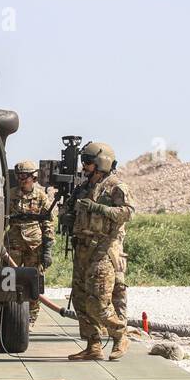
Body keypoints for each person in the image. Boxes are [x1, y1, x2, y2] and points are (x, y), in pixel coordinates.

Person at [68, 141, 134, 360]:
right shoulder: (84, 186)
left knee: (98, 300)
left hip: (105, 247)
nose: (84, 166)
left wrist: (98, 208)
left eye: (87, 162)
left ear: (101, 163)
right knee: (79, 298)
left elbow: (126, 212)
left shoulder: (116, 186)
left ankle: (120, 335)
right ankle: (93, 345)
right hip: (83, 247)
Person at [1, 159, 55, 325]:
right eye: (19, 176)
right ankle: (2, 317)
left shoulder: (41, 197)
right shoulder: (10, 195)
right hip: (13, 245)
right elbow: (2, 220)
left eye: (25, 176)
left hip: (34, 246)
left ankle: (31, 317)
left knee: (34, 281)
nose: (22, 179)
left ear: (34, 177)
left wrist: (47, 250)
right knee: (8, 281)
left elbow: (48, 223)